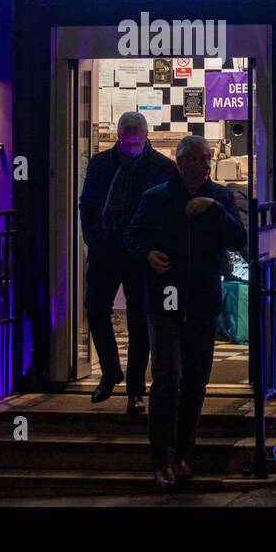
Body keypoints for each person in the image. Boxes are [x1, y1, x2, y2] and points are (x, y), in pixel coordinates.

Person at [125, 133, 247, 489]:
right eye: (200, 159)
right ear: (182, 163)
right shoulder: (157, 198)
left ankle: (182, 453)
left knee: (196, 382)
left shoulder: (221, 196)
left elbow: (239, 240)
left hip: (203, 300)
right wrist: (147, 254)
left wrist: (216, 210)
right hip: (165, 299)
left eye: (209, 158)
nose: (207, 165)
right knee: (168, 377)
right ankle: (160, 456)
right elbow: (132, 237)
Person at [78, 111, 175, 413]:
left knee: (139, 321)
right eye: (126, 142)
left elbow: (166, 212)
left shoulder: (162, 167)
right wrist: (93, 238)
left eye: (136, 142)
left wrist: (153, 249)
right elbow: (87, 203)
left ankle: (135, 389)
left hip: (140, 255)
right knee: (95, 311)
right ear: (118, 137)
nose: (131, 147)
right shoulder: (101, 164)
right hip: (106, 249)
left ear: (146, 137)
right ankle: (111, 372)